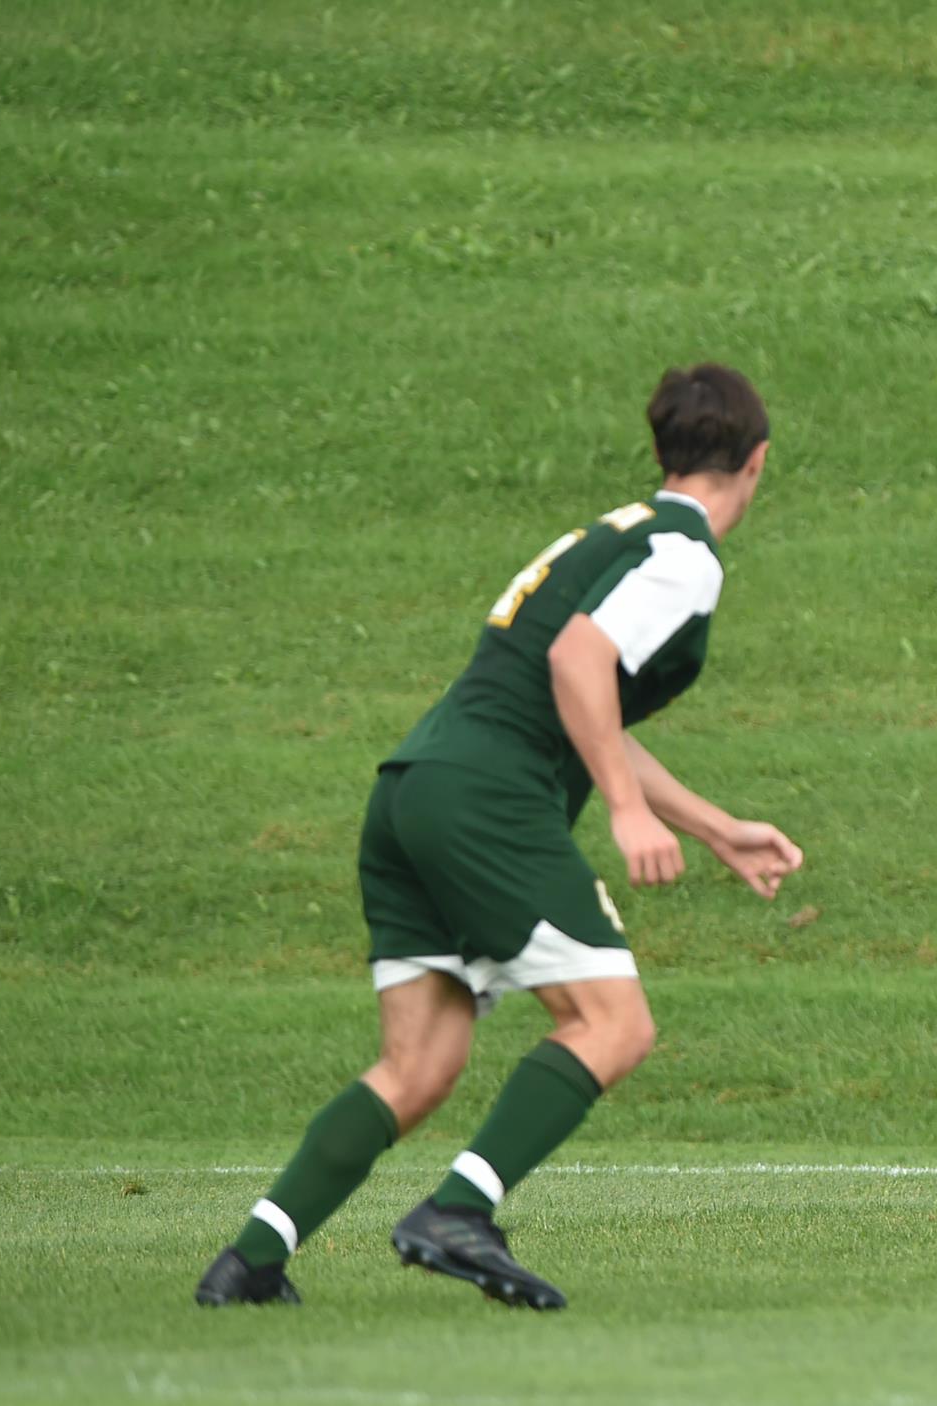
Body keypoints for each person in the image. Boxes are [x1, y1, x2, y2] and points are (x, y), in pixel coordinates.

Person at [197, 363, 803, 1309]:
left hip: (415, 789)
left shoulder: (611, 534)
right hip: (486, 799)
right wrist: (625, 809)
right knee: (614, 1022)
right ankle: (457, 1211)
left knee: (419, 1065)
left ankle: (250, 1263)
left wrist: (715, 826)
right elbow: (578, 662)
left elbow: (579, 693)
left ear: (663, 452)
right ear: (758, 462)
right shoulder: (684, 557)